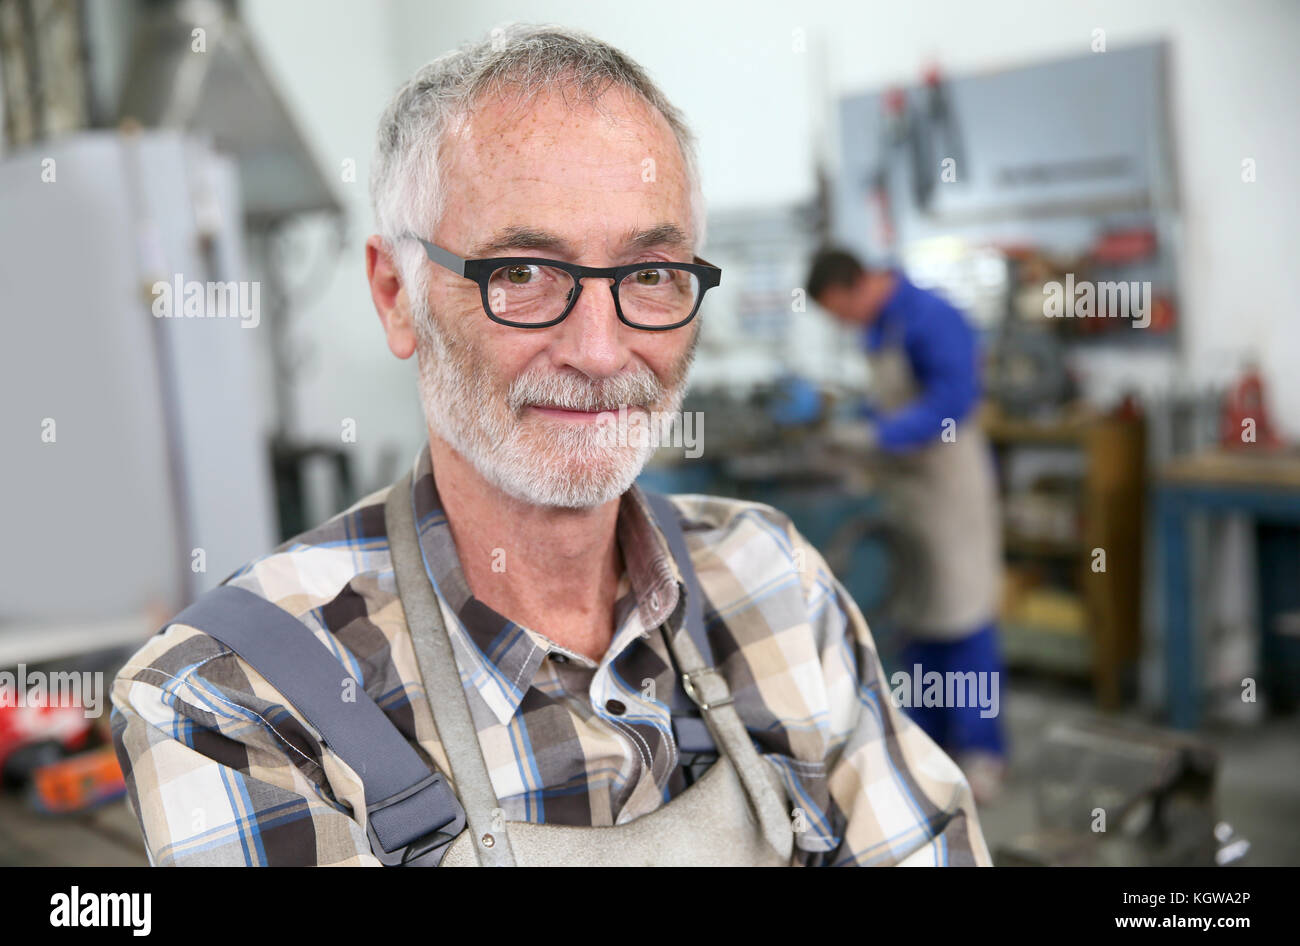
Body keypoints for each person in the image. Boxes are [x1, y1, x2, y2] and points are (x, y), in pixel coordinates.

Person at [110, 25, 990, 866]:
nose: (601, 352)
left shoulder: (776, 584)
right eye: (522, 273)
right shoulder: (232, 696)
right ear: (395, 295)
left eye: (649, 275)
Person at [807, 248, 1008, 803]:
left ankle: (983, 752)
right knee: (916, 616)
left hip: (949, 490)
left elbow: (952, 402)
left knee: (963, 618)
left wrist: (880, 437)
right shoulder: (881, 328)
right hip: (907, 494)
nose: (842, 324)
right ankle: (925, 745)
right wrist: (858, 424)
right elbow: (889, 402)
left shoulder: (930, 316)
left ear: (855, 287)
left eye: (838, 312)